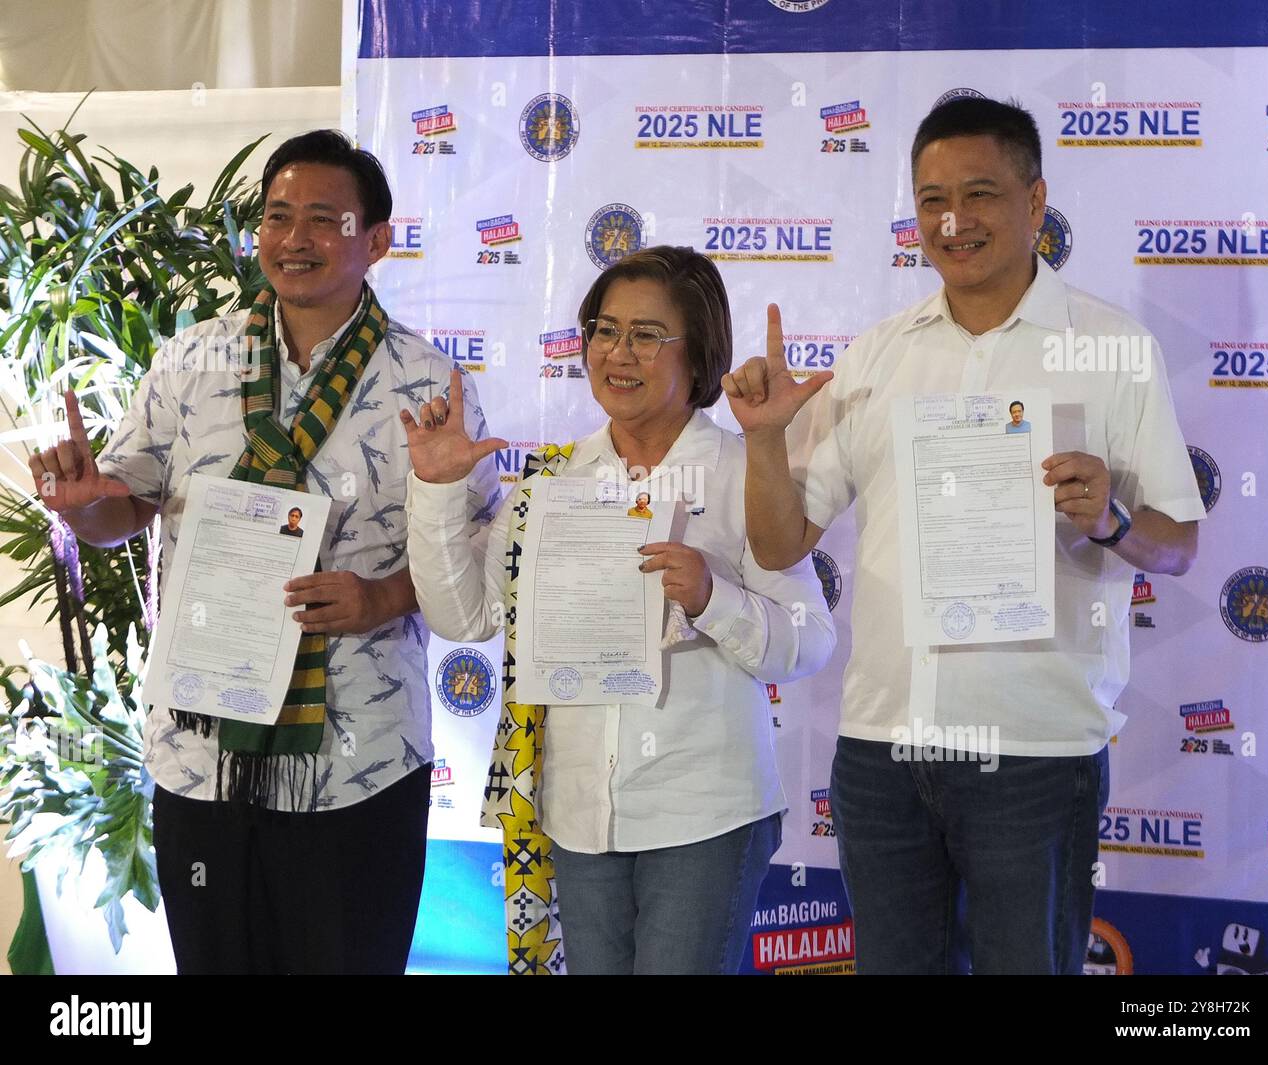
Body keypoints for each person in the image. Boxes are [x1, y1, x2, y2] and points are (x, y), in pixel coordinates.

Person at [722, 97, 1204, 975]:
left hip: (1036, 752)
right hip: (884, 751)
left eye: (979, 193)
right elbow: (781, 544)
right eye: (932, 198)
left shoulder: (1113, 348)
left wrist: (1111, 520)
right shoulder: (875, 356)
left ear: (1035, 199)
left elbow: (1178, 547)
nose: (953, 220)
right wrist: (762, 440)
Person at [28, 129, 498, 975]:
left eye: (324, 217)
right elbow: (123, 505)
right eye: (278, 217)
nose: (294, 238)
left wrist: (381, 599)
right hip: (202, 750)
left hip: (361, 750)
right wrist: (82, 507)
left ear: (377, 240)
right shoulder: (192, 359)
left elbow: (473, 562)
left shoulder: (430, 385)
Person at [403, 245, 835, 974]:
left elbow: (811, 639)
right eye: (604, 330)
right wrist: (439, 492)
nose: (618, 352)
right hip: (576, 816)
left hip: (704, 812)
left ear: (697, 357)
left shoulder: (742, 471)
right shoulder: (555, 481)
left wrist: (712, 599)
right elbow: (464, 615)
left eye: (645, 334)